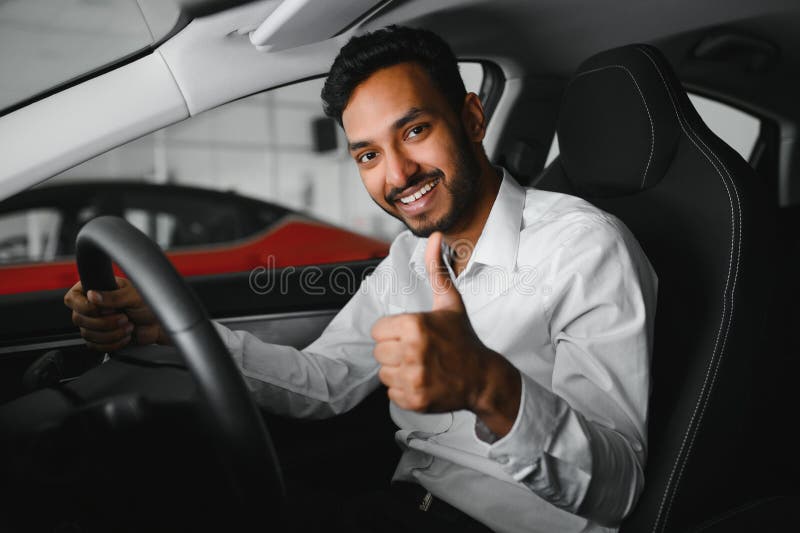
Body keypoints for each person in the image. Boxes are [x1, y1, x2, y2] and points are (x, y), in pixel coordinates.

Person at [64, 25, 657, 533]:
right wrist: (172, 328)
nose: (397, 174)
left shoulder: (583, 246)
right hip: (401, 508)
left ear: (471, 117)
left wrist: (488, 386)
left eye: (415, 130)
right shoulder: (410, 256)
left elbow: (618, 488)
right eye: (368, 154)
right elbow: (326, 382)